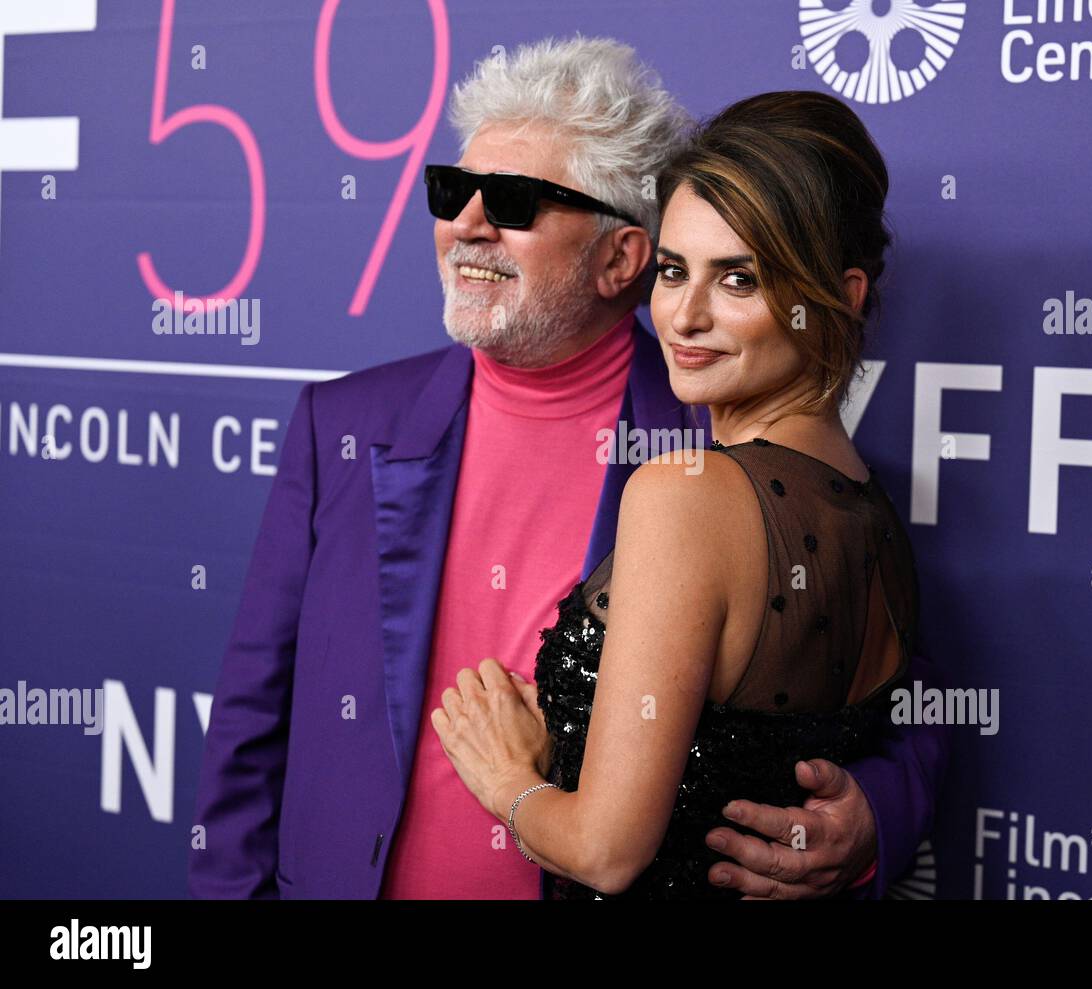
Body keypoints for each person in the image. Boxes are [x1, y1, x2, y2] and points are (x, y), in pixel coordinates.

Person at [188, 36, 950, 900]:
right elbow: (252, 715)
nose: (466, 223)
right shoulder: (344, 426)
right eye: (452, 190)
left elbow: (900, 709)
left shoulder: (738, 450)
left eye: (511, 201)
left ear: (621, 257)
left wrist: (870, 821)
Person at [431, 86, 936, 899]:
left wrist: (505, 778)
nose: (684, 316)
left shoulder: (684, 491)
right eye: (674, 271)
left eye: (739, 279)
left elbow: (606, 852)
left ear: (838, 298)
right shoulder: (873, 509)